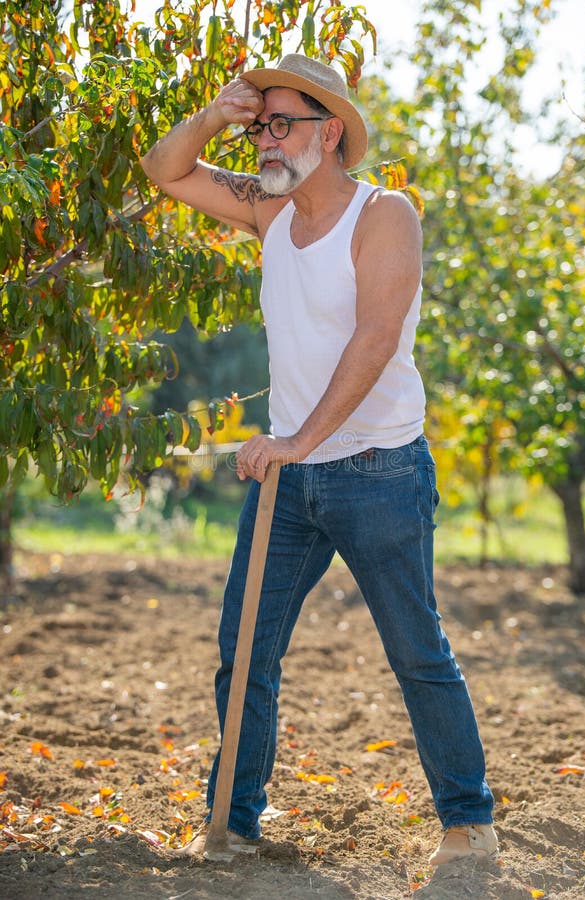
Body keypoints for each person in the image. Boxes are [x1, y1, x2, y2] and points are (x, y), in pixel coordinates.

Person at [141, 53, 497, 868]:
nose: (264, 140)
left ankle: (468, 824)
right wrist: (210, 118)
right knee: (245, 651)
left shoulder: (384, 216)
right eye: (259, 124)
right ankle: (231, 823)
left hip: (377, 470)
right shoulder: (267, 211)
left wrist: (299, 439)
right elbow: (166, 170)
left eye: (279, 124)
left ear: (327, 131)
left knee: (415, 650)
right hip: (287, 483)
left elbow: (374, 337)